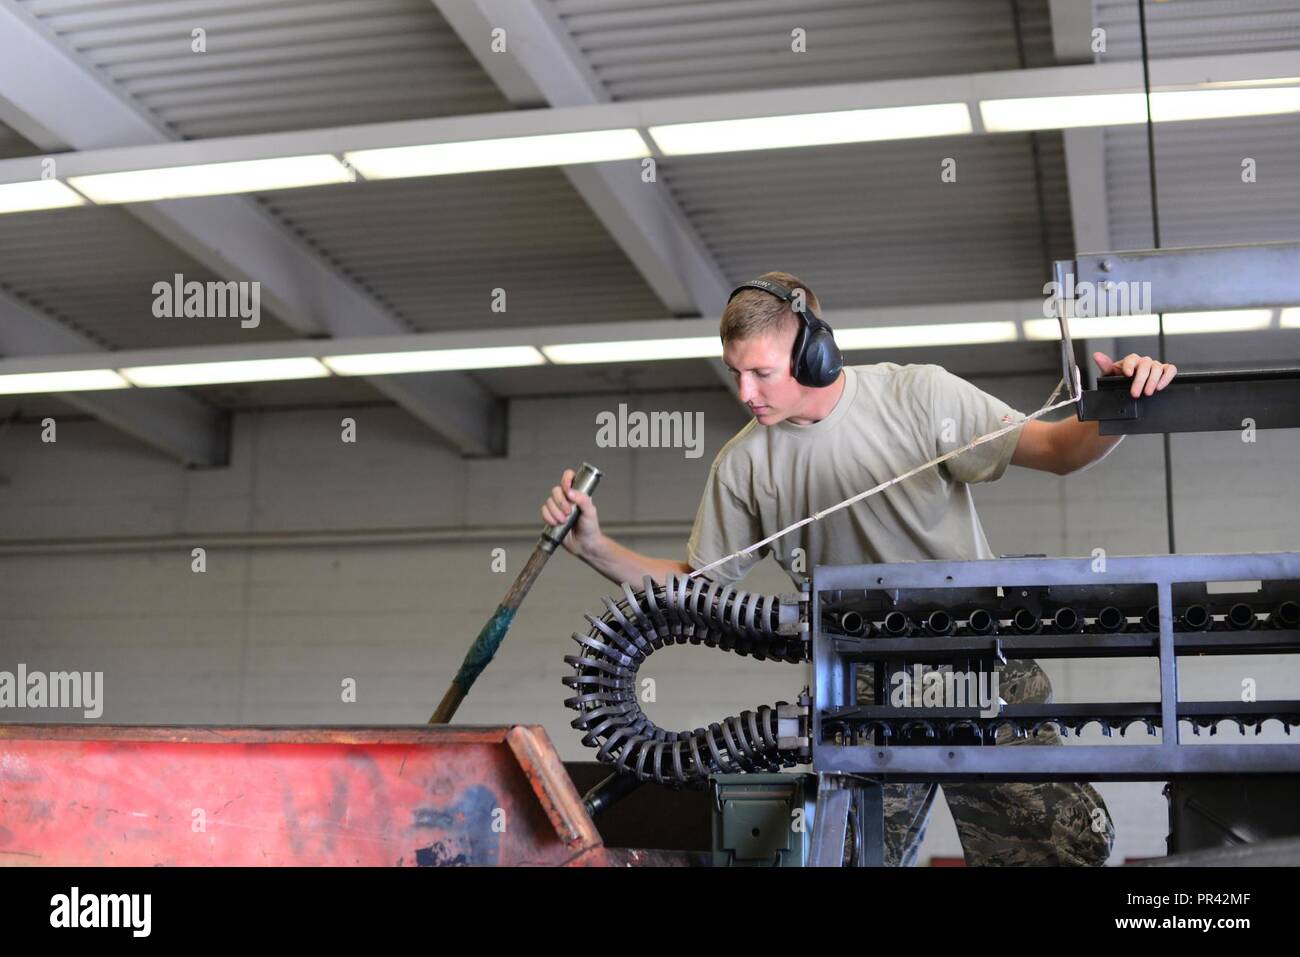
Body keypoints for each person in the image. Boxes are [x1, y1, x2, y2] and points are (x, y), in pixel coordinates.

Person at [541, 270, 1177, 866]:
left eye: (761, 373)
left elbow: (1060, 449)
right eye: (736, 373)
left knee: (1056, 848)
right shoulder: (743, 465)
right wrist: (594, 546)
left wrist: (1121, 404)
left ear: (816, 355)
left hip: (979, 661)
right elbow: (696, 591)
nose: (744, 393)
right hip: (858, 684)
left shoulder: (920, 396)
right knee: (843, 854)